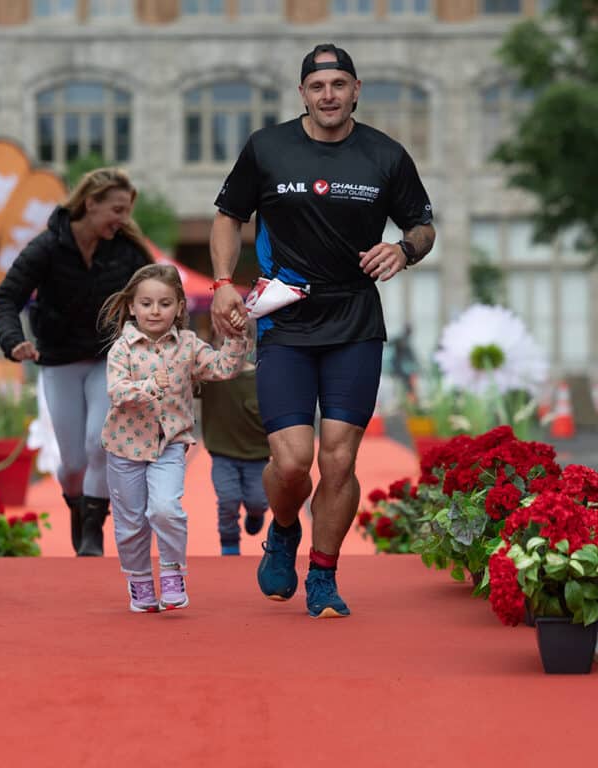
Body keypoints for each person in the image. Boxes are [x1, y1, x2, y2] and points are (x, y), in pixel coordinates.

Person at [209, 44, 435, 618]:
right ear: (303, 93)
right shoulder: (268, 148)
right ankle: (284, 529)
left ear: (357, 90)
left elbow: (423, 225)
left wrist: (403, 249)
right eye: (318, 86)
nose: (328, 95)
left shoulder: (385, 154)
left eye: (339, 84)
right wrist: (222, 283)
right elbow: (228, 217)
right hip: (286, 317)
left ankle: (325, 575)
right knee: (291, 462)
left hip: (355, 319)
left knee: (339, 462)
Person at [0, 167, 151, 557]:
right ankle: (77, 508)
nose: (122, 219)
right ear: (90, 203)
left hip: (107, 360)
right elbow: (5, 299)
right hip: (58, 361)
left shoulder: (128, 253)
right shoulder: (47, 247)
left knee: (99, 445)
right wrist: (15, 342)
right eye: (116, 209)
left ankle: (92, 535)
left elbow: (159, 294)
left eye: (126, 211)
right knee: (73, 462)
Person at [99, 264, 247, 612]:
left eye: (164, 303)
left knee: (165, 509)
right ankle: (139, 581)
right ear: (132, 307)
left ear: (180, 307)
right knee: (131, 523)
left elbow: (224, 368)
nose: (155, 311)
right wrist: (150, 387)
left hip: (170, 445)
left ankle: (172, 571)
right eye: (146, 303)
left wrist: (237, 337)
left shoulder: (189, 346)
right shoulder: (122, 350)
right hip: (124, 448)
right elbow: (116, 391)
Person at [198, 325, 270, 556]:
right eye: (223, 342)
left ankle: (256, 514)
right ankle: (229, 540)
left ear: (248, 345)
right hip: (222, 455)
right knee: (228, 500)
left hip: (257, 457)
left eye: (236, 341)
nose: (228, 348)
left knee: (258, 501)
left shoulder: (261, 379)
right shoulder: (210, 377)